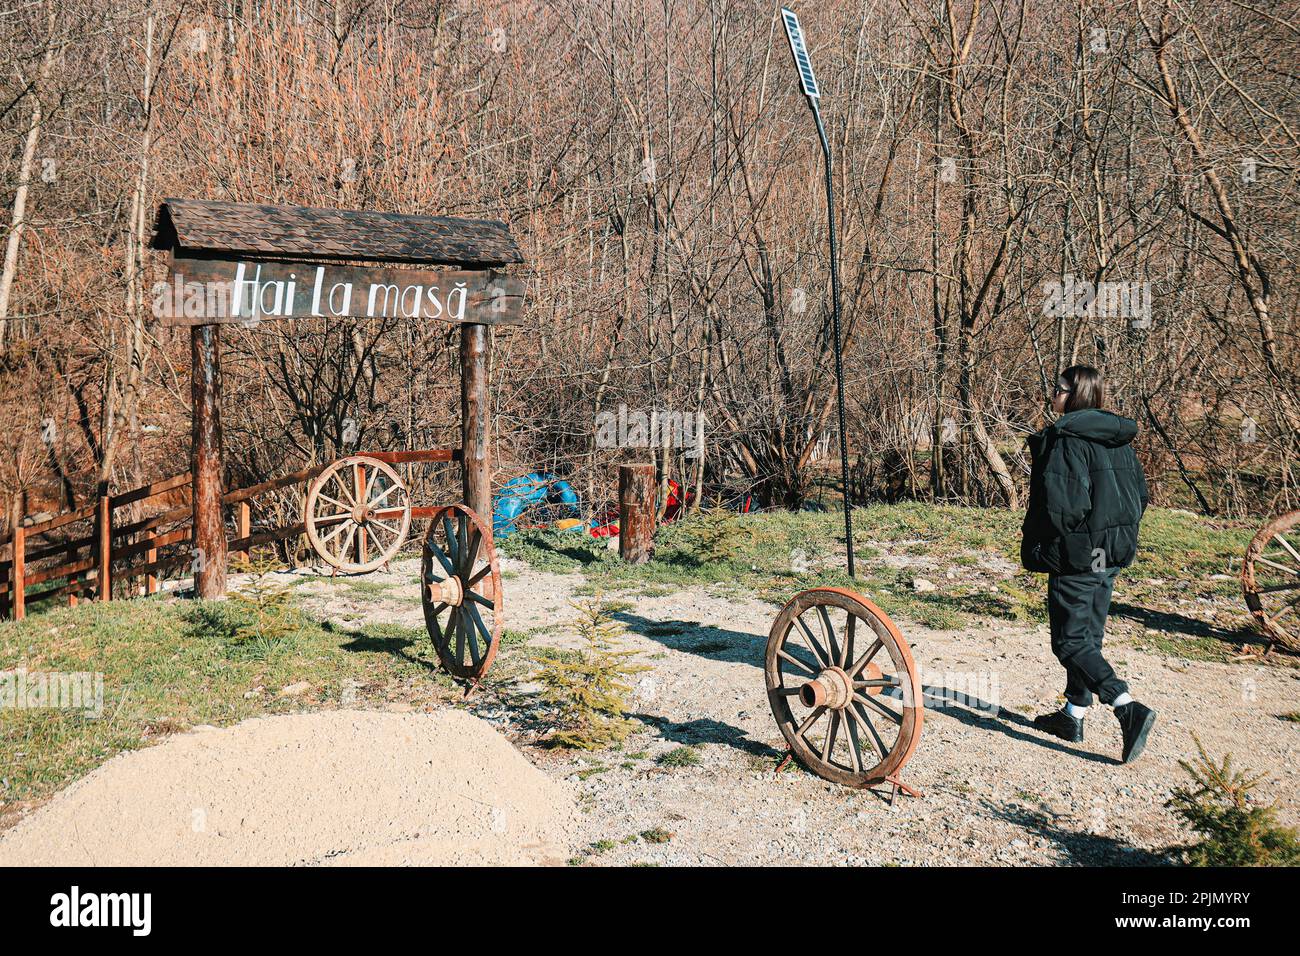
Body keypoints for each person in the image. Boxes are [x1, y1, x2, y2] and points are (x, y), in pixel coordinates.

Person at [1021, 365, 1157, 763]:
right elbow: (1141, 497)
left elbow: (1065, 507)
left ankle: (1126, 706)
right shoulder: (1119, 440)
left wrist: (1046, 536)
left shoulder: (1066, 440)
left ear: (1076, 395)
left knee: (1070, 641)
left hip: (1077, 556)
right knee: (1088, 638)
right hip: (1110, 553)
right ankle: (1072, 715)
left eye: (1059, 388)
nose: (1054, 394)